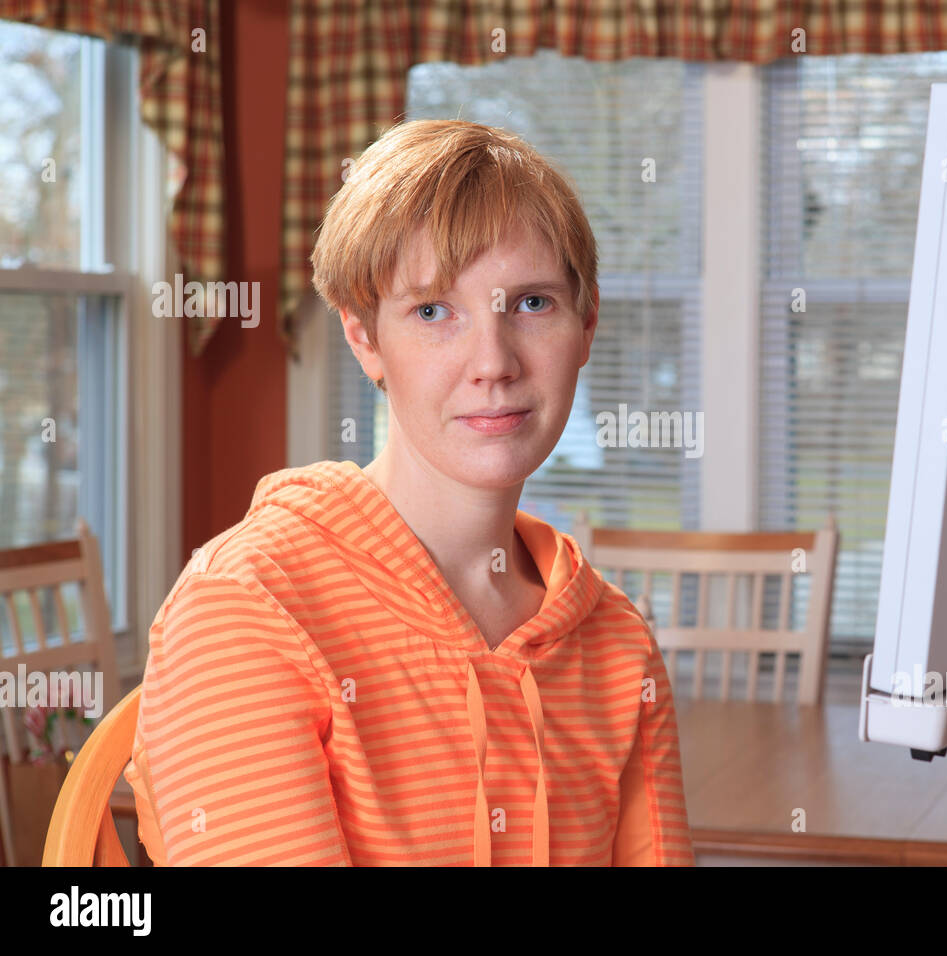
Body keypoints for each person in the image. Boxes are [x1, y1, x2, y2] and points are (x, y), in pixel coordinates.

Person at [124, 120, 694, 866]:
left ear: (587, 324)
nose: (493, 362)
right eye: (432, 311)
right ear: (365, 339)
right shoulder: (246, 605)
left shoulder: (618, 643)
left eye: (530, 304)